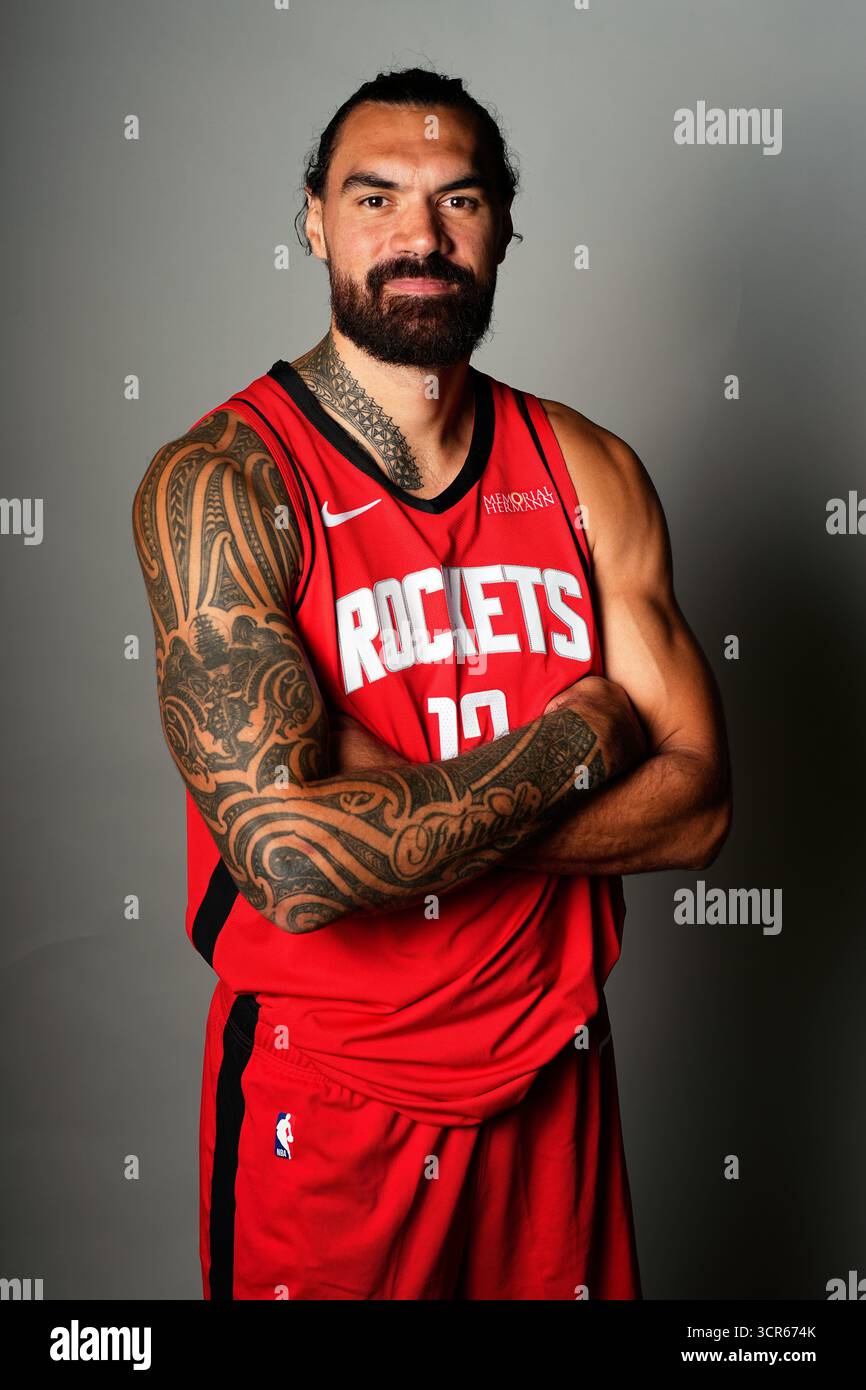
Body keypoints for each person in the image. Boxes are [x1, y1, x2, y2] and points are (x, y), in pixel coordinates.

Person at [132, 66, 731, 1300]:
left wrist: (400, 807)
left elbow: (697, 807)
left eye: (457, 200)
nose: (418, 237)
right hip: (331, 1102)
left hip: (553, 1073)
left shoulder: (587, 470)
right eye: (375, 198)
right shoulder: (224, 483)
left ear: (504, 224)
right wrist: (577, 737)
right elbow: (293, 861)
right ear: (312, 220)